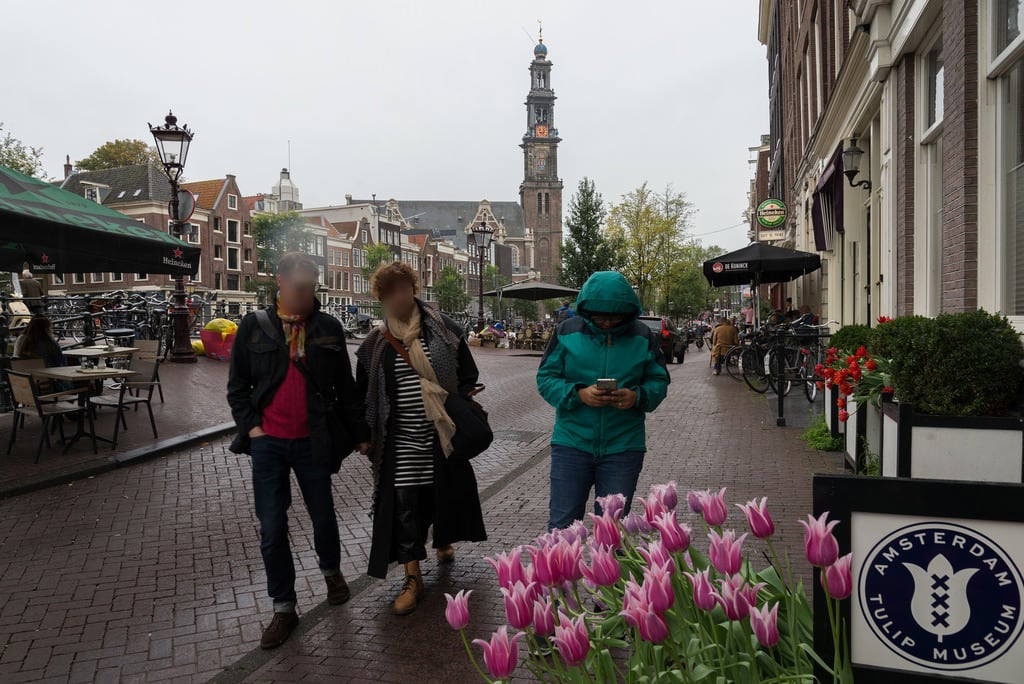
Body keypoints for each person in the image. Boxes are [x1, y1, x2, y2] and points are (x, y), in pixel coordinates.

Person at [227, 252, 370, 650]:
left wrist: (361, 434)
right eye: (299, 288)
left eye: (311, 288)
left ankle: (331, 571)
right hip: (269, 443)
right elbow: (237, 388)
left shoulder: (327, 327)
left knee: (322, 514)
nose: (307, 296)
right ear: (280, 283)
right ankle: (284, 607)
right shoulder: (253, 328)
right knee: (272, 527)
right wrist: (252, 429)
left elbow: (346, 387)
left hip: (314, 439)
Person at [356, 262, 486, 615]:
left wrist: (455, 400)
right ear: (381, 298)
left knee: (440, 494)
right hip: (398, 439)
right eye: (392, 292)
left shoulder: (444, 331)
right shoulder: (374, 346)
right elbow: (364, 394)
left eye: (405, 289)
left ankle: (443, 538)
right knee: (404, 505)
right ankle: (412, 576)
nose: (401, 297)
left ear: (413, 289)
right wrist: (365, 435)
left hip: (439, 435)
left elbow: (468, 373)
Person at [536, 271, 670, 530]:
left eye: (615, 317)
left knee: (612, 530)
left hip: (623, 447)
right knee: (562, 527)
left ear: (628, 312)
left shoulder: (642, 336)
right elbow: (546, 378)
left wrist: (637, 396)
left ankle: (609, 571)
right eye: (599, 316)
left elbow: (659, 381)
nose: (607, 323)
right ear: (586, 310)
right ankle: (566, 573)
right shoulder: (566, 332)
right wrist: (578, 394)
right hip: (571, 444)